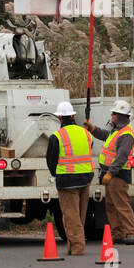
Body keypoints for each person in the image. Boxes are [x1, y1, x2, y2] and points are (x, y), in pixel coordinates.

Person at [45, 100, 96, 255]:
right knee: (80, 215)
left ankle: (78, 247)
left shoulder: (57, 136)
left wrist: (56, 174)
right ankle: (72, 245)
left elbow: (51, 160)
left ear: (60, 118)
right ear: (73, 115)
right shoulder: (86, 134)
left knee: (70, 215)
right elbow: (88, 150)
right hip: (86, 178)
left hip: (67, 180)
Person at [86, 98, 134, 245]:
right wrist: (93, 129)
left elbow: (121, 156)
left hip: (118, 176)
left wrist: (111, 173)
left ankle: (130, 233)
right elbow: (105, 136)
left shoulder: (126, 134)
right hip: (110, 174)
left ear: (120, 116)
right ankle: (118, 234)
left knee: (121, 204)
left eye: (114, 114)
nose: (112, 117)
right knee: (110, 205)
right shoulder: (117, 131)